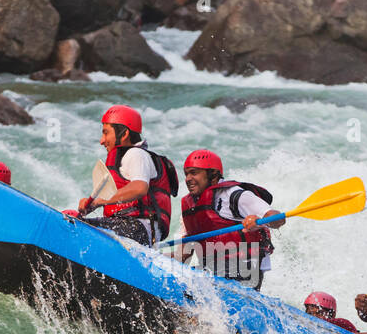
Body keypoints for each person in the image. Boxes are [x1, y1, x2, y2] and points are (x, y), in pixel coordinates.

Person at [176, 149, 283, 290]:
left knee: (195, 284)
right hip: (214, 268)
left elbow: (277, 218)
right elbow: (188, 246)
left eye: (194, 172)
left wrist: (258, 220)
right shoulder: (192, 205)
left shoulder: (234, 195)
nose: (188, 178)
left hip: (246, 267)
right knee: (180, 283)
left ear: (213, 175)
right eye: (186, 174)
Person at [76, 105, 177, 246]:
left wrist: (100, 201)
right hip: (134, 230)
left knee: (72, 223)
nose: (102, 140)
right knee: (72, 217)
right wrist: (92, 205)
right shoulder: (130, 157)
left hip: (137, 229)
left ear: (124, 134)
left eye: (106, 133)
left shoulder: (136, 154)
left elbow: (139, 188)